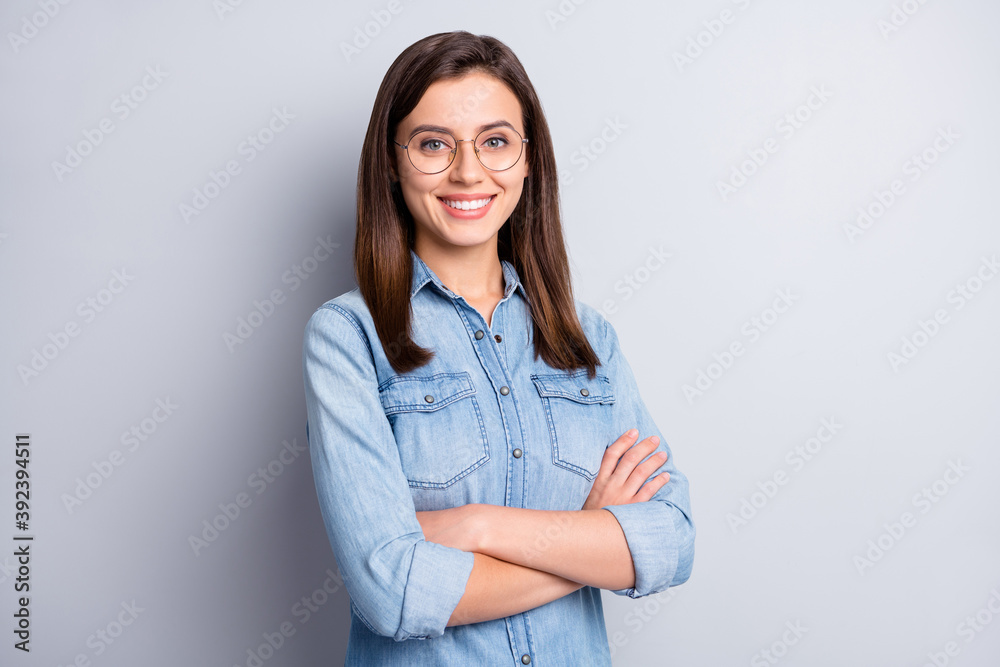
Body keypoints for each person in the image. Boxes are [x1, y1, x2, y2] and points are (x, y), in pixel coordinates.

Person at [302, 30, 695, 666]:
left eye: (495, 142)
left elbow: (671, 542)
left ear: (528, 157)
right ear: (392, 161)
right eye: (434, 144)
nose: (467, 170)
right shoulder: (348, 337)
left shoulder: (587, 338)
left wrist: (481, 527)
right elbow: (393, 590)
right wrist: (588, 543)